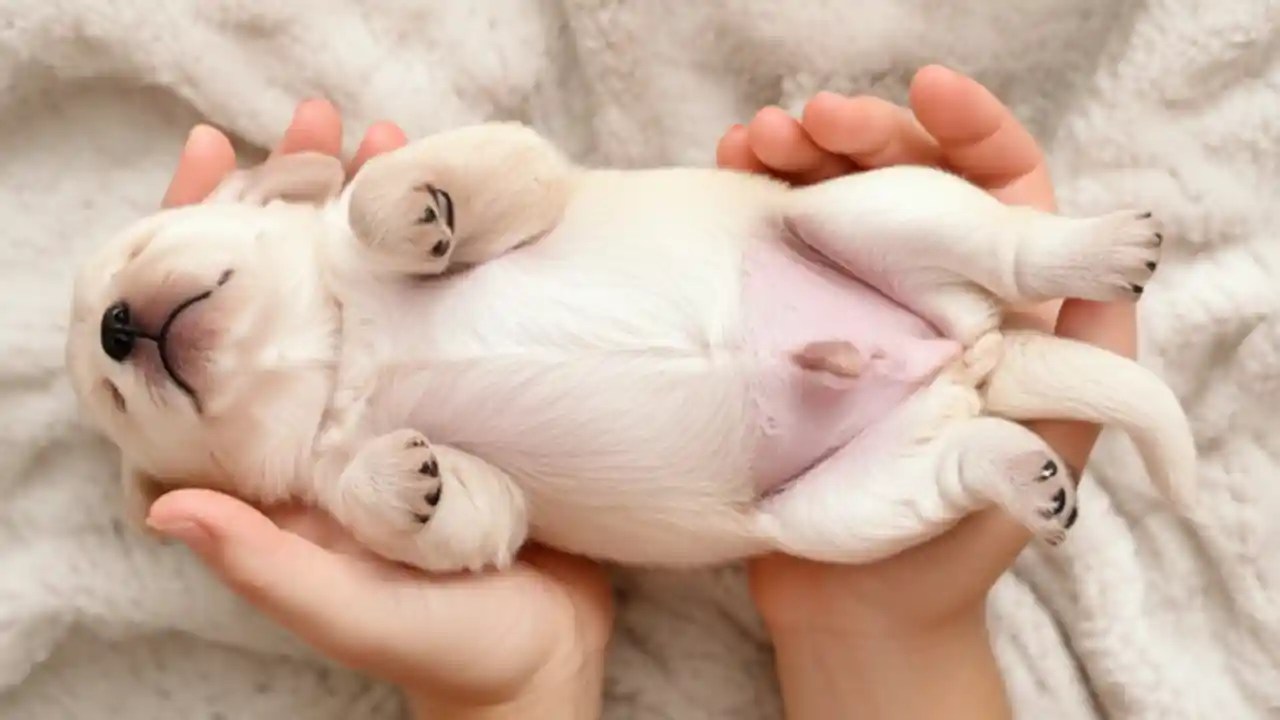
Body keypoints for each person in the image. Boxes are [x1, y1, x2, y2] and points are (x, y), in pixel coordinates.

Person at [145, 64, 1134, 720]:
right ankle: (965, 463)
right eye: (118, 400)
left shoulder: (364, 232)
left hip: (817, 258)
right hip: (801, 473)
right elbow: (488, 521)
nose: (123, 342)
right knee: (819, 522)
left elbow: (527, 179)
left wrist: (423, 198)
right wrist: (411, 514)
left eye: (127, 271)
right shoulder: (349, 484)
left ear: (265, 196)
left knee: (869, 213)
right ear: (224, 485)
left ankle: (1026, 256)